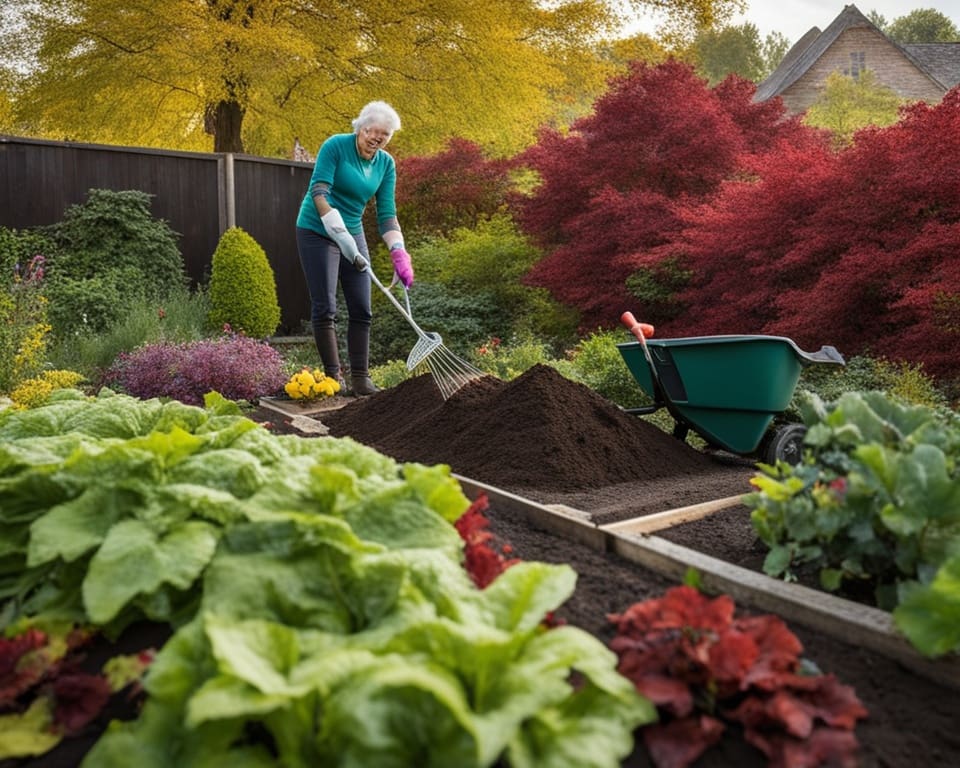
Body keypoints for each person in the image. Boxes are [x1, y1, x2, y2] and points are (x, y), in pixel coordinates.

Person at [295, 100, 414, 396]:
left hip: (353, 229)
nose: (378, 139)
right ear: (361, 127)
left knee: (362, 308)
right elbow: (319, 191)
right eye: (374, 132)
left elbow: (386, 214)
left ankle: (360, 379)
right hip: (317, 228)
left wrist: (398, 252)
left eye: (385, 136)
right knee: (326, 307)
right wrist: (338, 233)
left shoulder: (386, 164)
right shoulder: (335, 146)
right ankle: (333, 379)